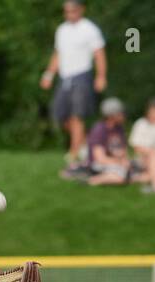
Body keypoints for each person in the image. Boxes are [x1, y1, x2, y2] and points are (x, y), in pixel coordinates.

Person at [41, 0, 107, 164]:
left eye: (73, 11)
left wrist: (101, 76)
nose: (70, 14)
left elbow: (99, 54)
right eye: (67, 11)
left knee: (77, 115)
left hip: (82, 75)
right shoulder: (62, 30)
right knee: (61, 116)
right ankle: (84, 144)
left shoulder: (90, 29)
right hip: (64, 77)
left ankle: (74, 152)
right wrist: (49, 74)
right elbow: (58, 54)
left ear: (81, 10)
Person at [84, 97, 132, 185]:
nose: (123, 115)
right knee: (120, 177)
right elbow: (100, 158)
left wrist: (125, 161)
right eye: (120, 113)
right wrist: (119, 162)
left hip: (116, 163)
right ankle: (92, 180)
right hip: (98, 165)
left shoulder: (119, 129)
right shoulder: (99, 129)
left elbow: (124, 151)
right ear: (112, 115)